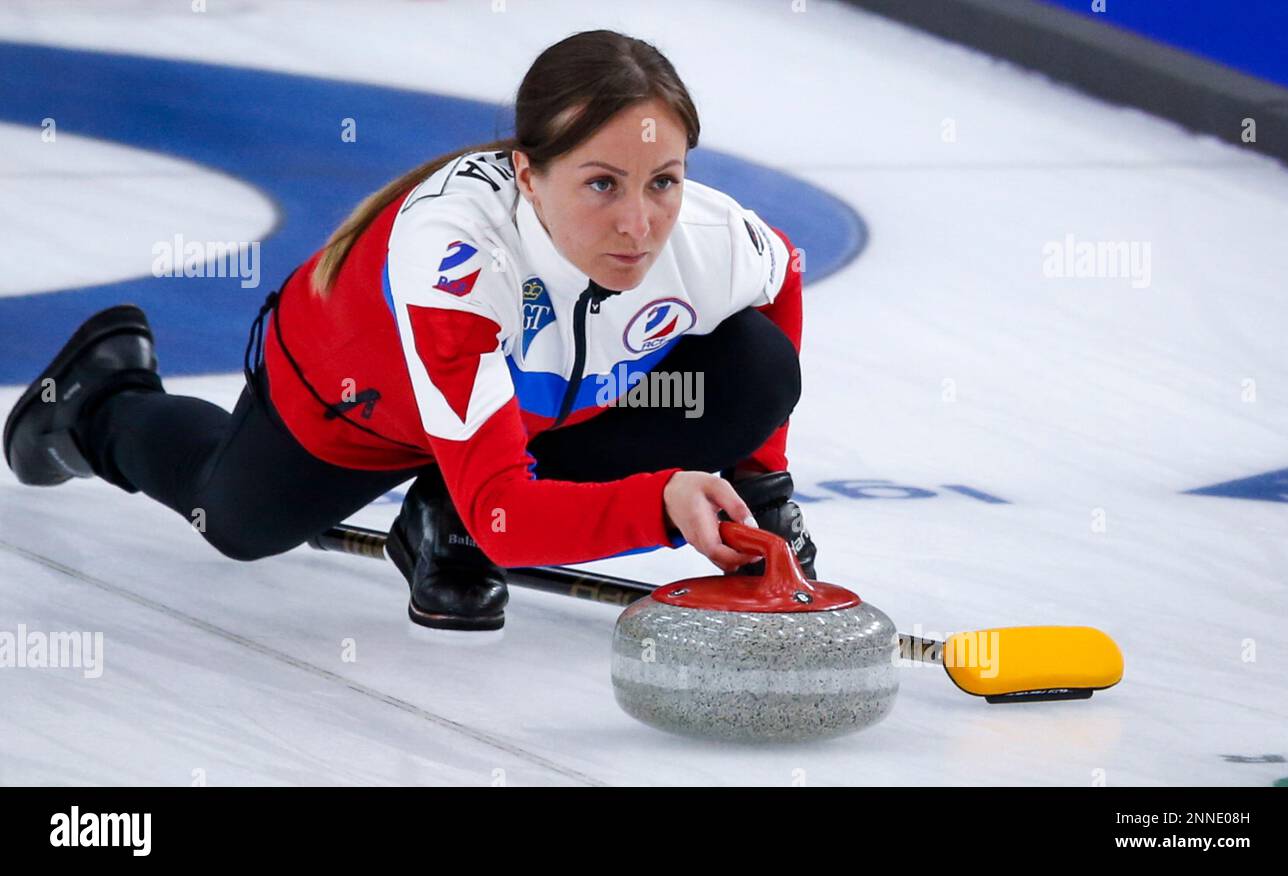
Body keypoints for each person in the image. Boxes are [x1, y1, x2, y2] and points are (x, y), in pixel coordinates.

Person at [3, 29, 817, 632]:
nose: (640, 223)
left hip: (522, 410)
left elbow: (781, 278)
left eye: (664, 182)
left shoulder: (707, 238)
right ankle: (100, 398)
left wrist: (762, 485)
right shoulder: (457, 266)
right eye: (601, 183)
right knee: (241, 525)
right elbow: (508, 517)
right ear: (528, 175)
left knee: (754, 368)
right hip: (359, 400)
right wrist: (663, 505)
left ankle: (442, 514)